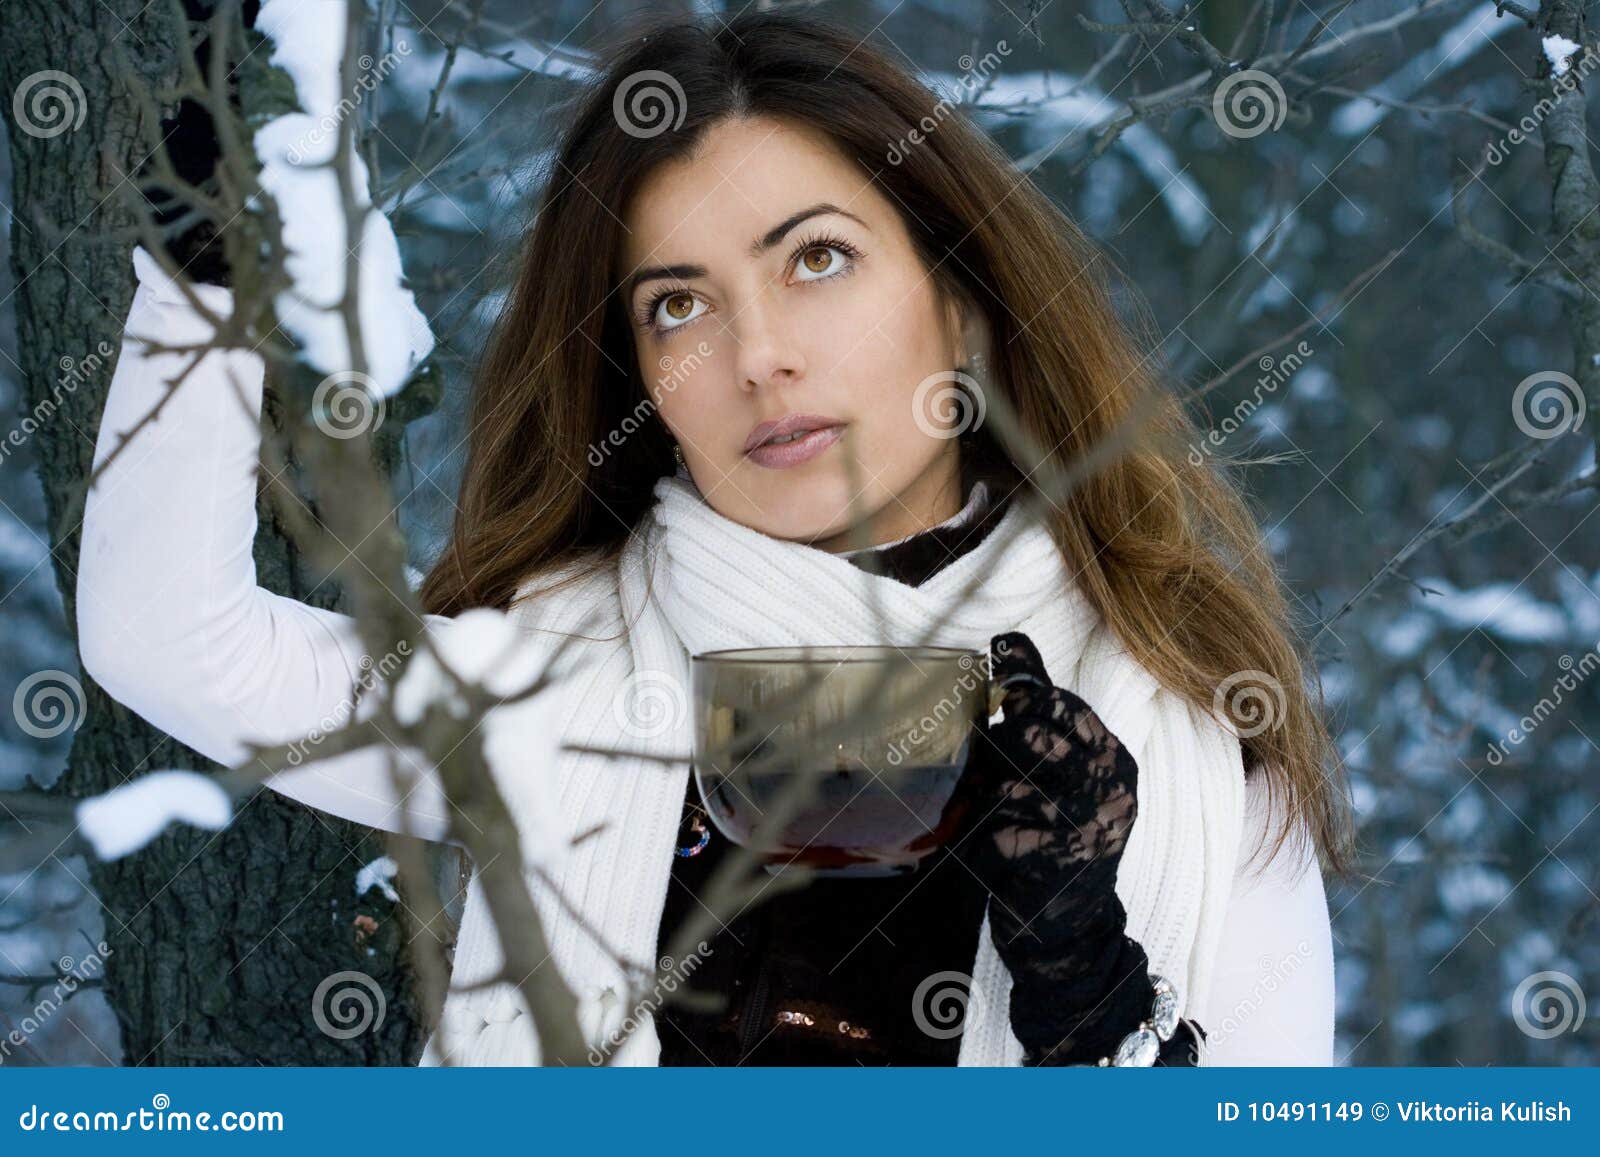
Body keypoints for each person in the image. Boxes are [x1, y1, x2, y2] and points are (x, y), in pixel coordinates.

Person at [77, 9, 1349, 1066]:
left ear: (959, 310)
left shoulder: (1189, 755)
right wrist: (202, 273)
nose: (758, 354)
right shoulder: (553, 674)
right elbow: (170, 635)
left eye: (818, 259)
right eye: (678, 304)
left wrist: (1088, 985)